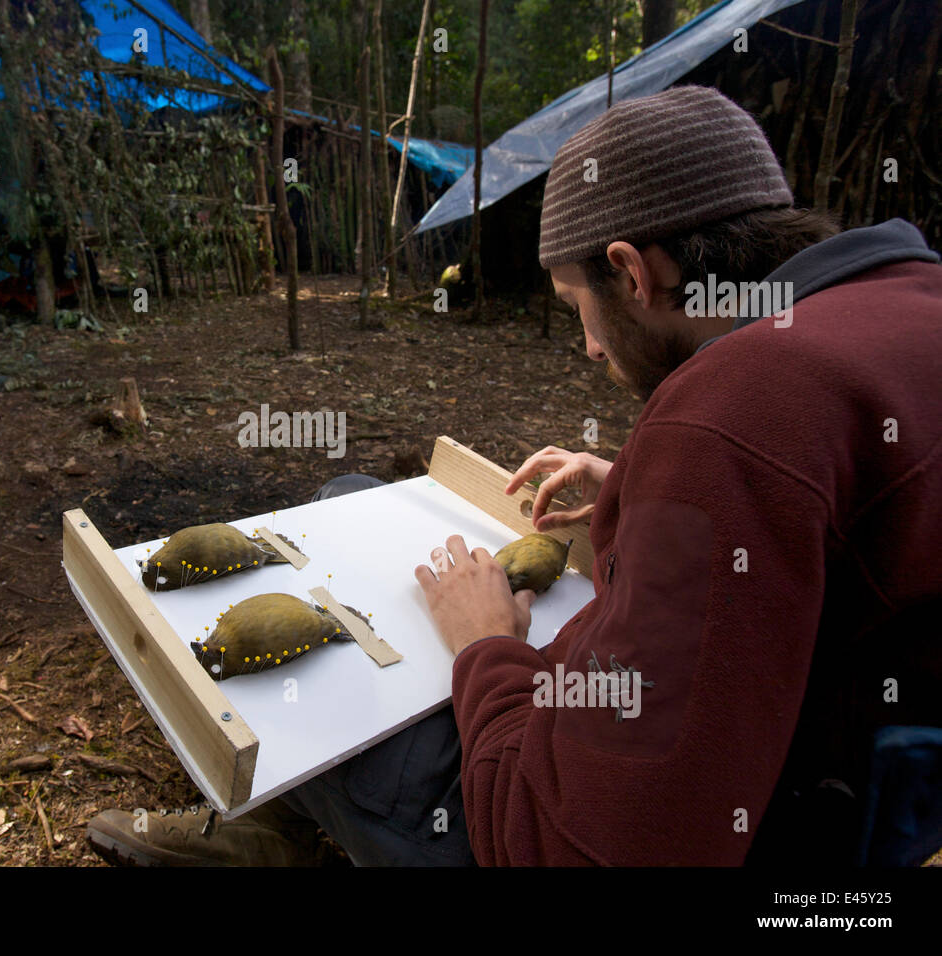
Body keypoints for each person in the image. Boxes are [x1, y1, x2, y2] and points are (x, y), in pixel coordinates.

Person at [87, 86, 942, 866]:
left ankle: (277, 828)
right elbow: (815, 529)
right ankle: (289, 823)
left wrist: (488, 648)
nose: (592, 348)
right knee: (345, 500)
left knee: (319, 676)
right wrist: (640, 496)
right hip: (829, 787)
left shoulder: (730, 415)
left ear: (635, 273)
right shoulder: (905, 305)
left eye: (580, 308)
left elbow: (567, 850)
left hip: (600, 821)